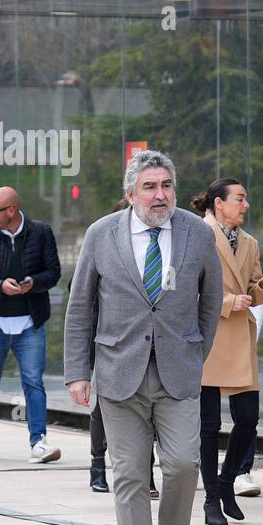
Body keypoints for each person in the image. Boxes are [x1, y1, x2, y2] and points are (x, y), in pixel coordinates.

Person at [64, 149, 222, 525]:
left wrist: (195, 353)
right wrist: (77, 372)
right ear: (131, 193)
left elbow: (211, 302)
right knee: (130, 476)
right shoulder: (101, 235)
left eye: (166, 185)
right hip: (119, 373)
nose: (160, 195)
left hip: (178, 374)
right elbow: (80, 307)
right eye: (149, 187)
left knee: (183, 465)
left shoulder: (197, 233)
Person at [192, 177, 263, 525]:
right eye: (240, 198)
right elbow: (185, 289)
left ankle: (227, 483)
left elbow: (252, 288)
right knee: (209, 425)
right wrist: (228, 302)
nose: (246, 204)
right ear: (218, 203)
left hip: (239, 338)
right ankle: (212, 498)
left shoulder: (249, 242)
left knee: (248, 419)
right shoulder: (197, 235)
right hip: (209, 338)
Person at [0, 186, 62, 463]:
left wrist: (33, 283)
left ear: (11, 210)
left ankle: (39, 442)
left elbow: (53, 273)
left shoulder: (41, 233)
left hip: (30, 323)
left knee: (33, 382)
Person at [87, 198, 157, 498]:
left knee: (146, 410)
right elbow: (81, 296)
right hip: (107, 341)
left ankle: (147, 473)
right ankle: (97, 465)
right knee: (102, 407)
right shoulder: (101, 242)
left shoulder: (151, 249)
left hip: (144, 343)